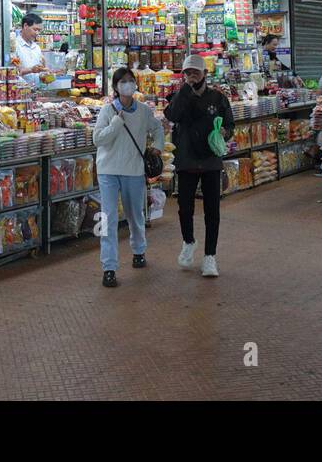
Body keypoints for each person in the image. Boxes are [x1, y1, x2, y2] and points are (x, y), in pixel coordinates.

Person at [92, 66, 165, 288]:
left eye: (130, 80)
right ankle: (109, 267)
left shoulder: (143, 111)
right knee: (107, 218)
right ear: (115, 87)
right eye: (122, 81)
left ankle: (139, 251)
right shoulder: (107, 111)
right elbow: (98, 139)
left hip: (133, 170)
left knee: (135, 214)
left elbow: (158, 129)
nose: (127, 84)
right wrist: (116, 124)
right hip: (108, 171)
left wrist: (158, 147)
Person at [164, 54, 234, 277]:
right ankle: (188, 241)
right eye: (188, 72)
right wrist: (185, 91)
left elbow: (230, 124)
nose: (192, 75)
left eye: (196, 71)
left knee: (212, 210)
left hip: (211, 160)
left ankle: (210, 256)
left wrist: (225, 132)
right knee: (185, 207)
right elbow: (172, 115)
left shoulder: (218, 98)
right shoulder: (179, 96)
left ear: (205, 73)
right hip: (186, 159)